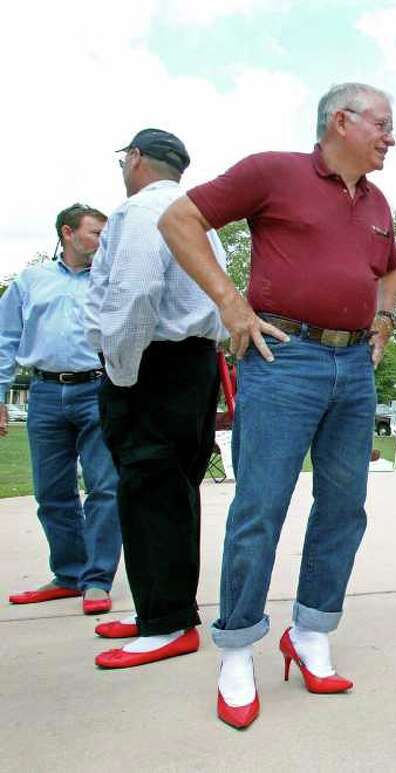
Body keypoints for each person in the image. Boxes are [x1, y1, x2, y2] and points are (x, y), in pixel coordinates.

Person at [158, 83, 396, 729]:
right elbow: (179, 219)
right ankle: (237, 646)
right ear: (341, 121)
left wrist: (384, 321)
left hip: (354, 366)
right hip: (282, 357)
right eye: (383, 123)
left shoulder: (378, 202)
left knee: (345, 507)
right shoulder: (274, 171)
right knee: (261, 507)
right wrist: (230, 303)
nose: (391, 136)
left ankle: (313, 631)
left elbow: (390, 270)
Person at [85, 128, 227, 667]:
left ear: (136, 158)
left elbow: (135, 292)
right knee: (174, 492)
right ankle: (161, 609)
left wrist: (120, 371)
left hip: (151, 365)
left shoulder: (140, 212)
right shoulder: (197, 216)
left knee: (148, 489)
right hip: (192, 364)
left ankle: (166, 624)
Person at [0, 204, 120, 616]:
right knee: (52, 492)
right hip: (46, 393)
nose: (102, 241)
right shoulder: (31, 282)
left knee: (105, 487)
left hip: (97, 388)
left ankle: (97, 579)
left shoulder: (109, 281)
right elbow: (5, 340)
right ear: (68, 233)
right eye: (95, 233)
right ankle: (69, 574)